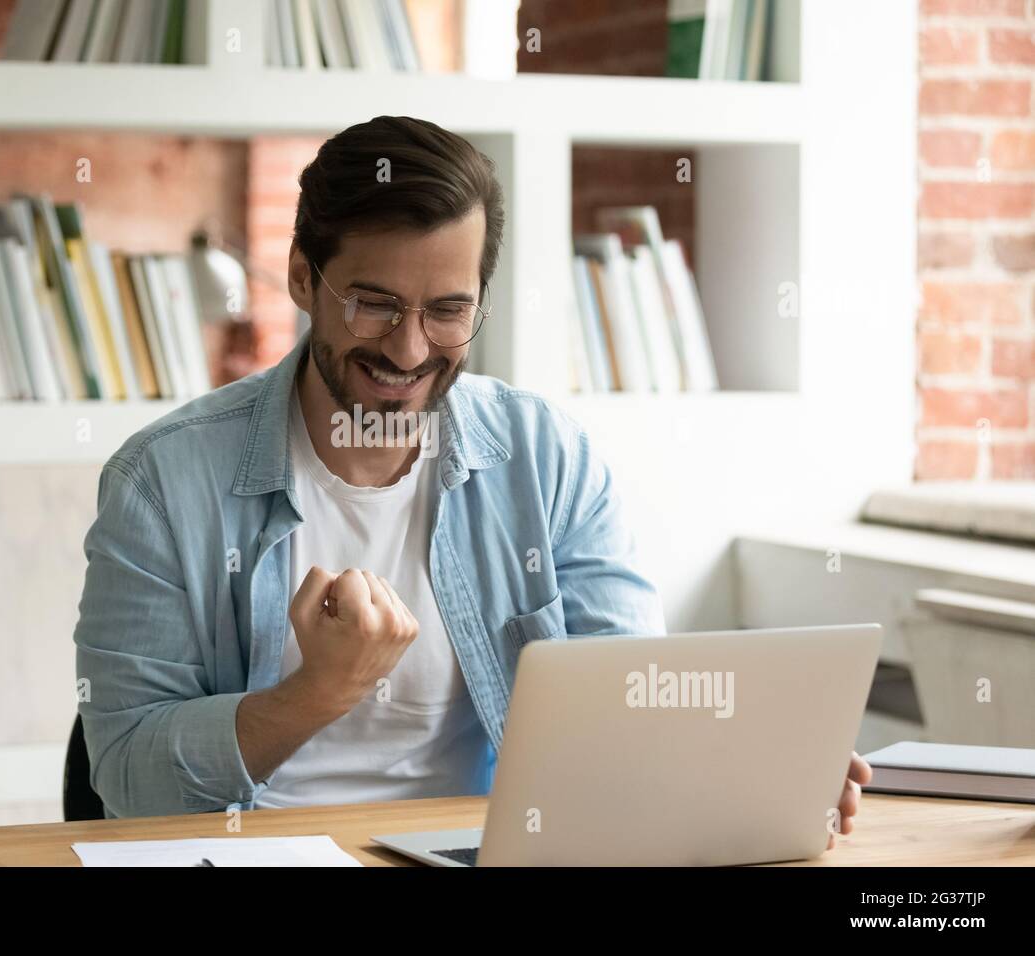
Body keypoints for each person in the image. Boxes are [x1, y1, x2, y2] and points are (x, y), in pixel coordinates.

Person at [73, 115, 870, 843]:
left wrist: (753, 769)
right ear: (303, 278)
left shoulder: (545, 459)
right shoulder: (162, 482)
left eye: (448, 311)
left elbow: (632, 703)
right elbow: (128, 778)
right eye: (375, 305)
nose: (411, 351)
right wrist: (318, 691)